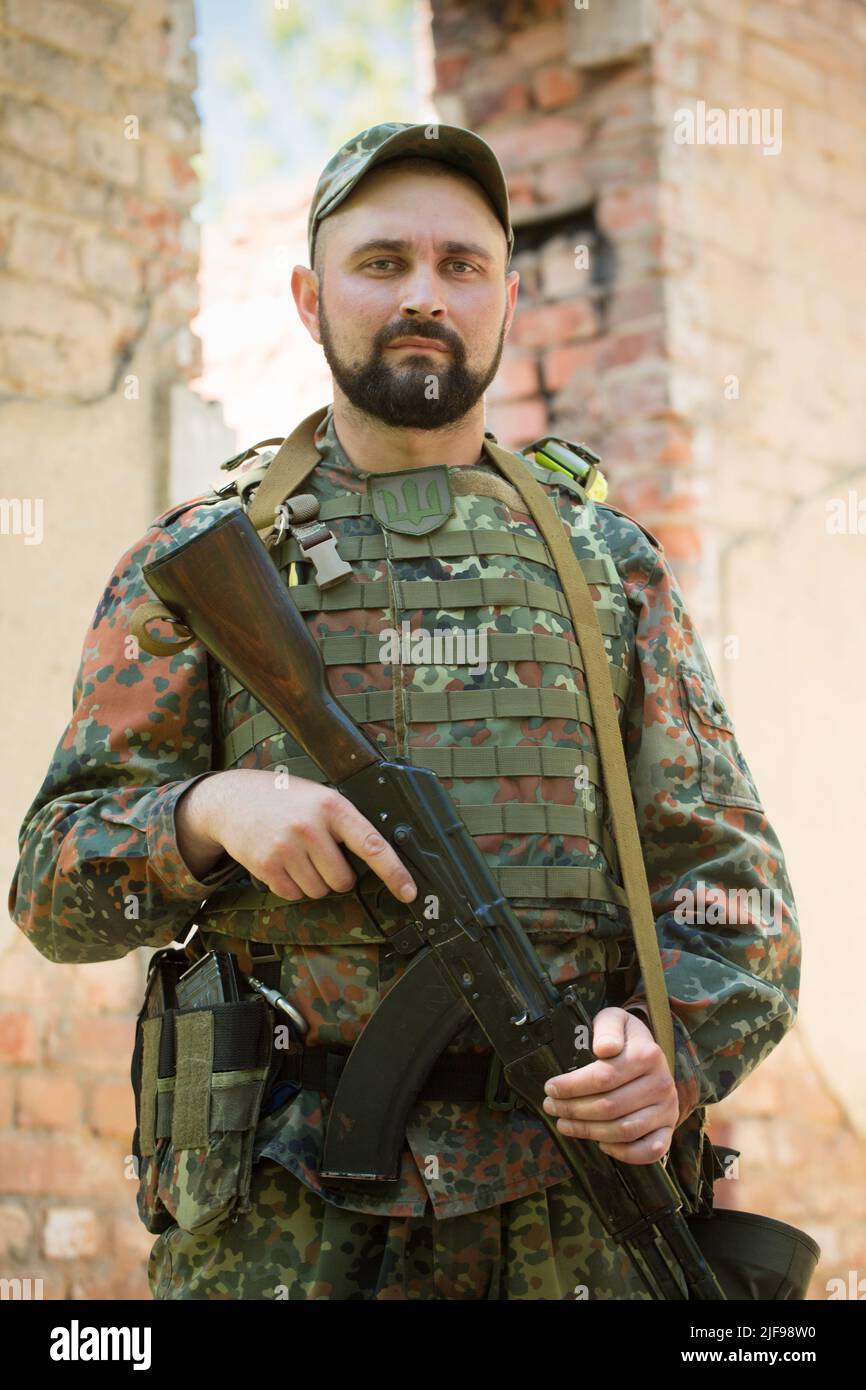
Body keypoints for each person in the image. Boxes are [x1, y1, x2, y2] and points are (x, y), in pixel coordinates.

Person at [8, 122, 800, 1301]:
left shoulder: (606, 569)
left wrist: (670, 1052)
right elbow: (52, 886)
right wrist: (208, 811)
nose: (422, 295)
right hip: (281, 1221)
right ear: (306, 294)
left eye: (459, 265)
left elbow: (740, 906)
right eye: (381, 262)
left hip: (566, 1214)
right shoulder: (205, 564)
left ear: (508, 300)